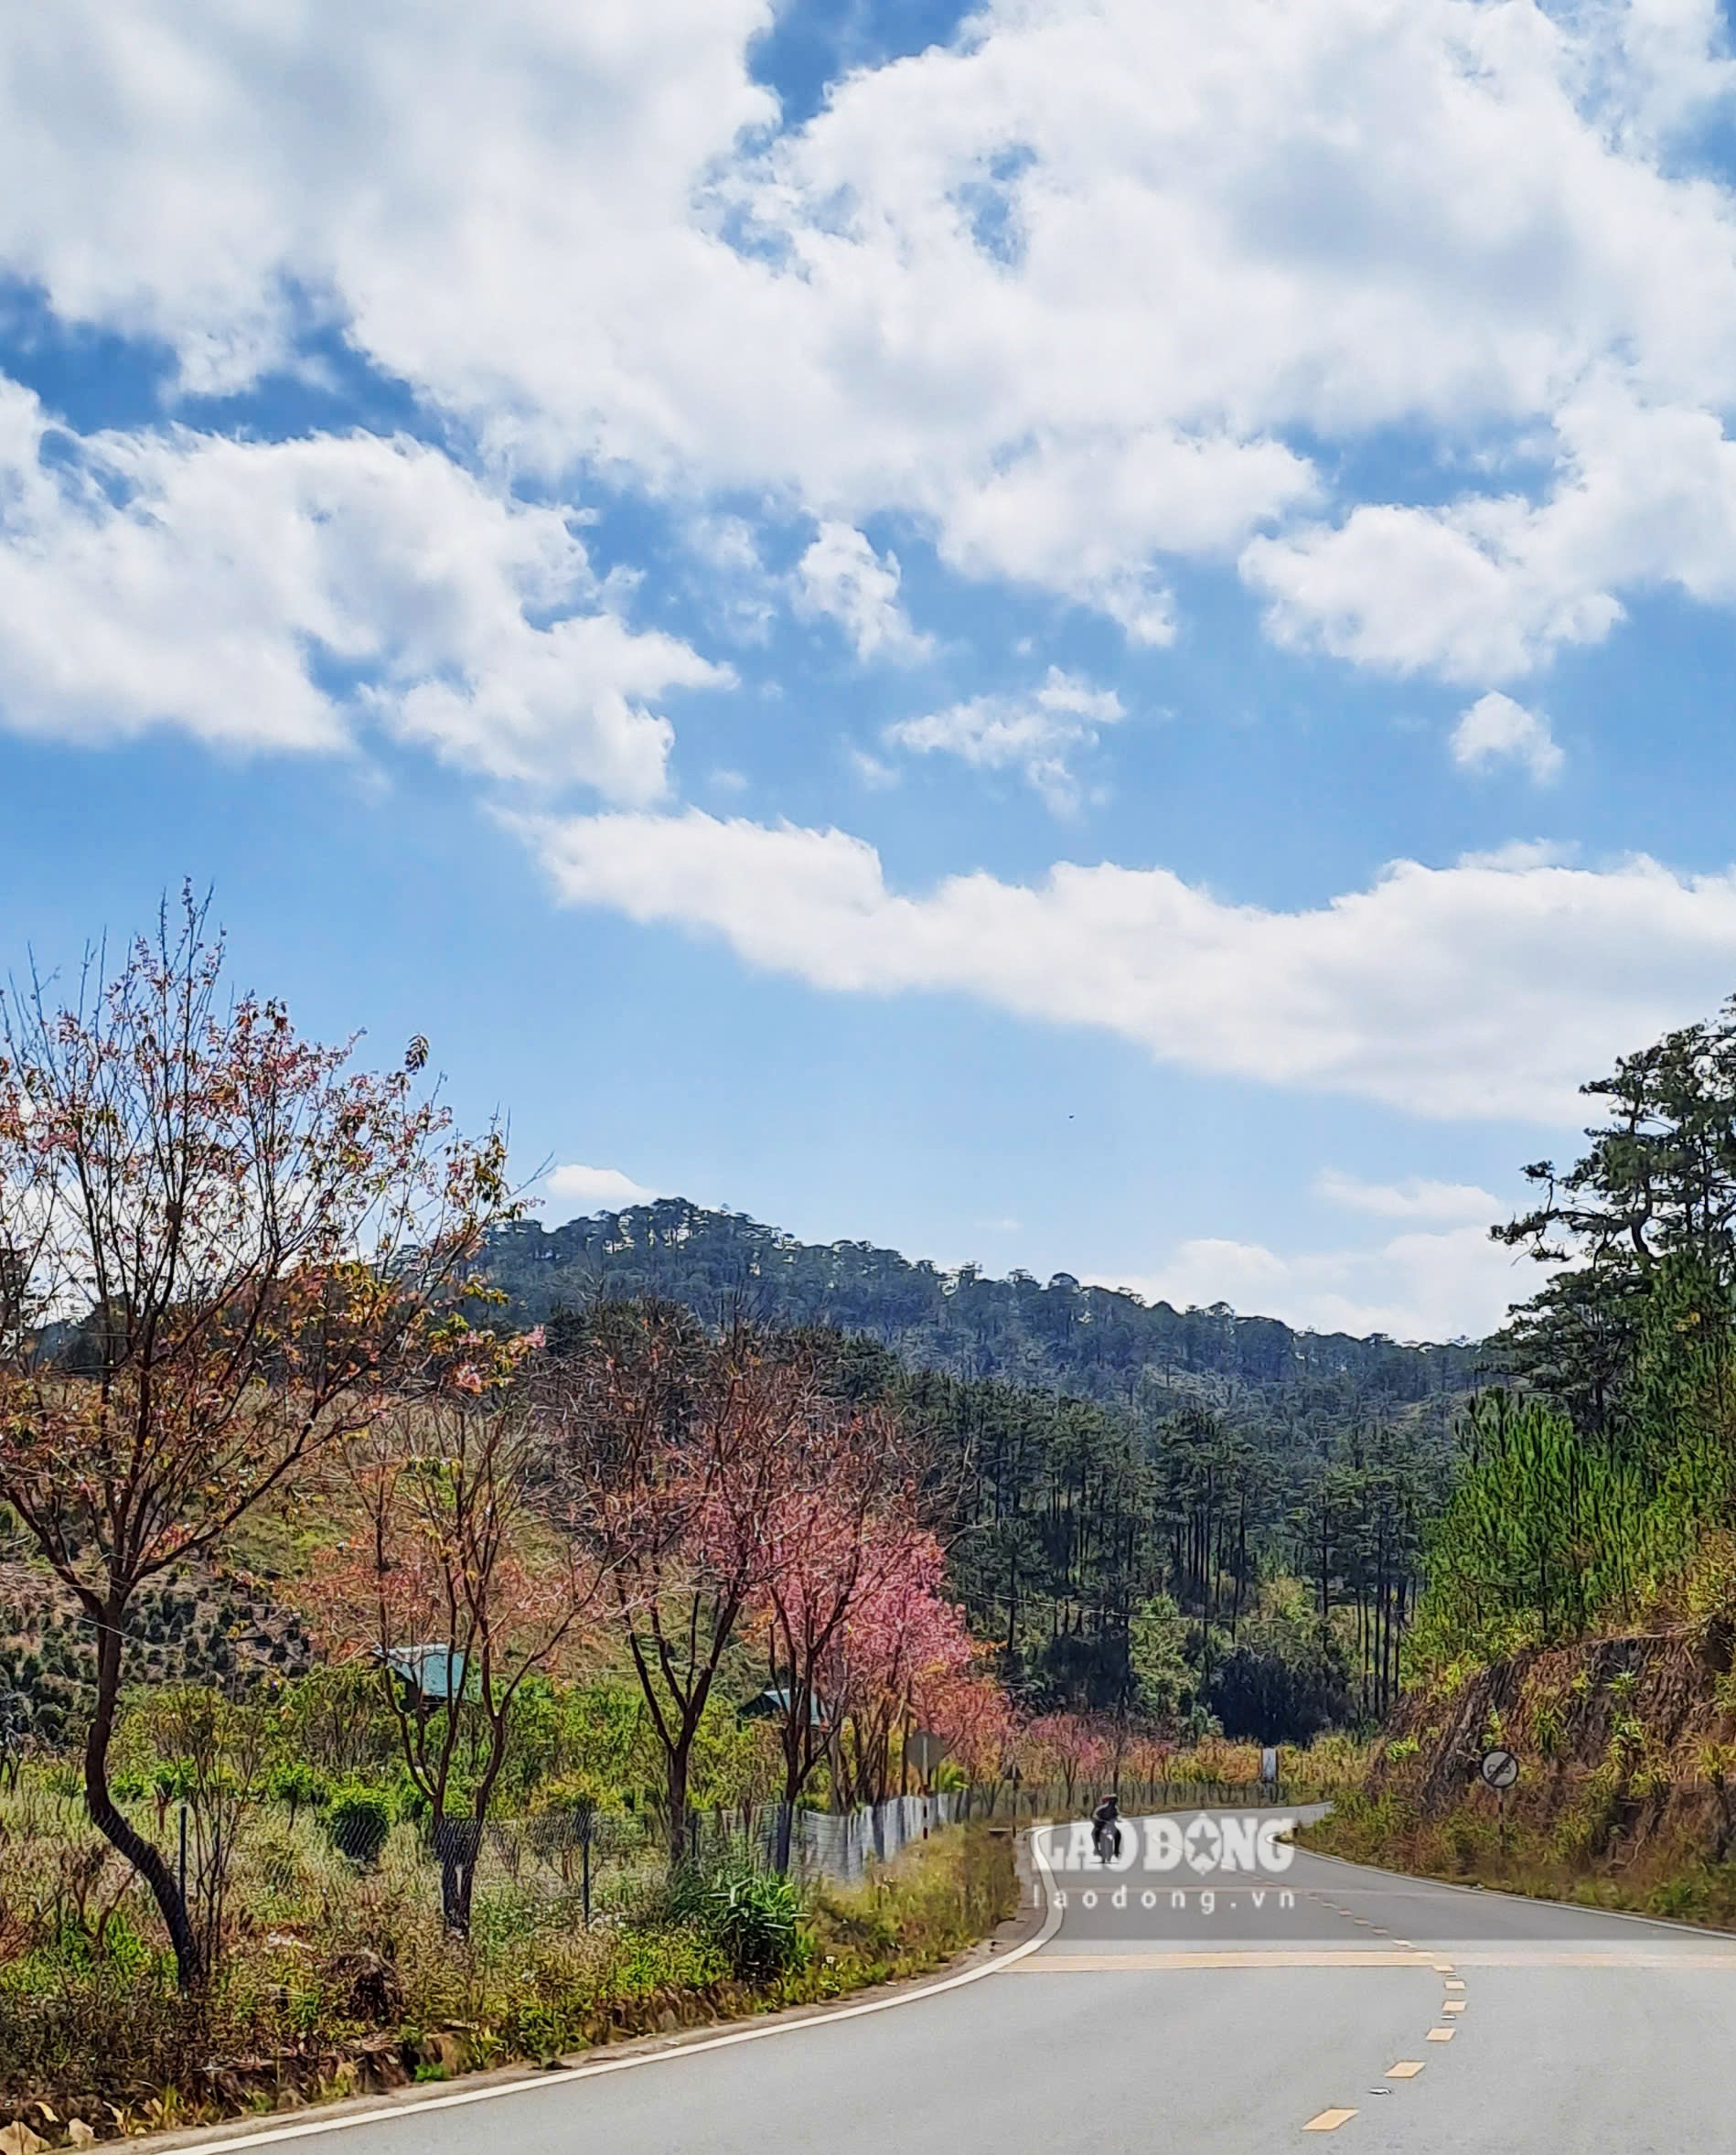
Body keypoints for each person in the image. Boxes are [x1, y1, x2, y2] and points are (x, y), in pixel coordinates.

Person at [1091, 1791, 1120, 1860]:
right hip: (1100, 1825)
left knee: (1118, 1834)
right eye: (1105, 1800)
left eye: (1108, 1800)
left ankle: (1116, 1850)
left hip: (1111, 1825)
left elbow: (1118, 1815)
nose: (1106, 1801)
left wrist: (1118, 1819)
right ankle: (1096, 1849)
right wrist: (1097, 1819)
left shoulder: (1115, 1808)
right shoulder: (1099, 1808)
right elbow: (1094, 1815)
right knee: (1094, 1833)